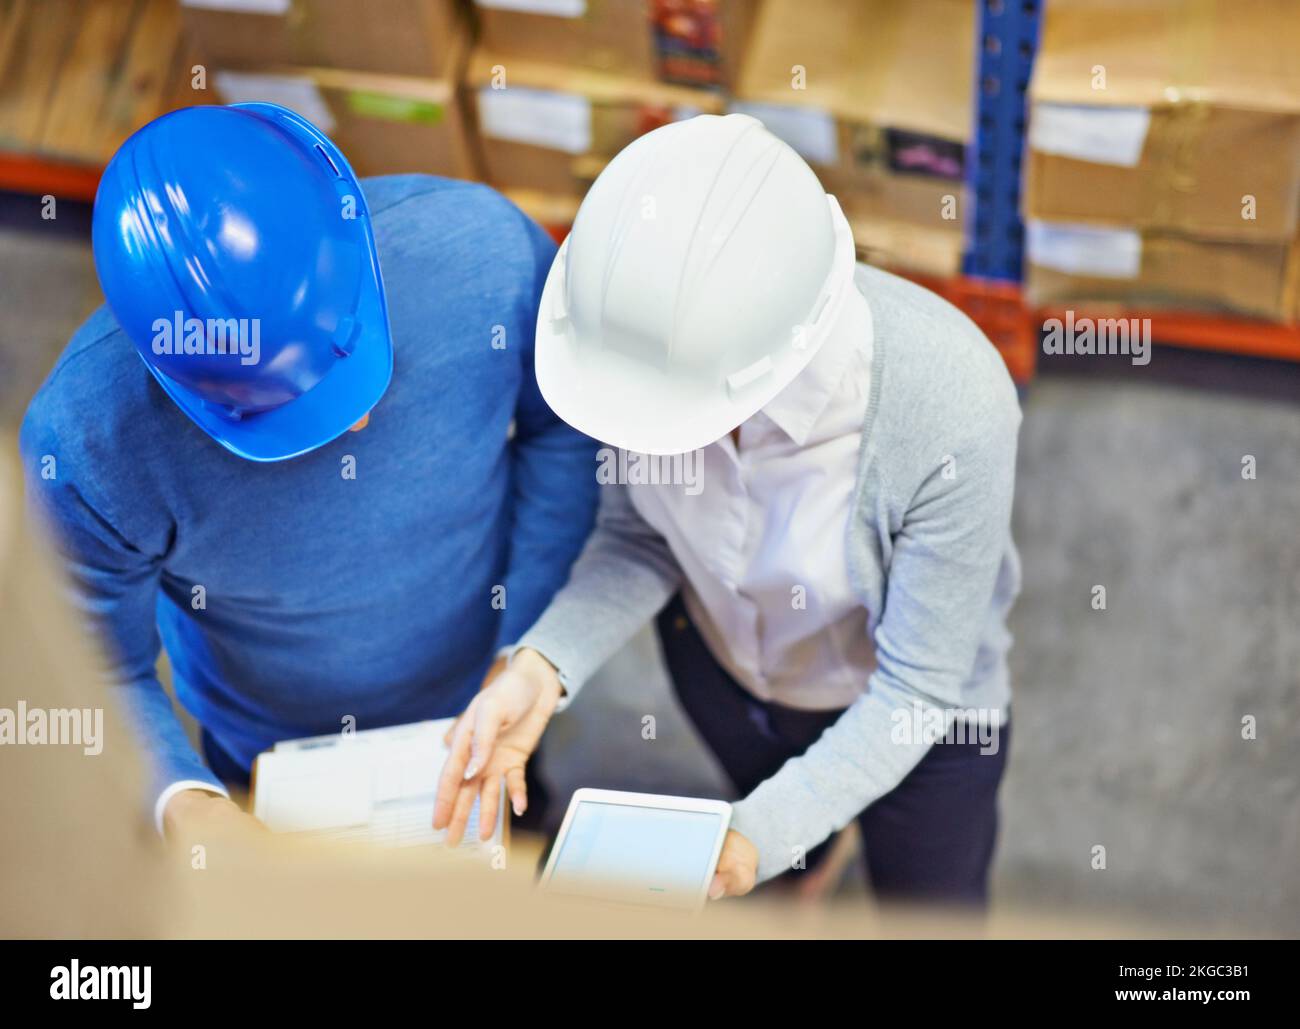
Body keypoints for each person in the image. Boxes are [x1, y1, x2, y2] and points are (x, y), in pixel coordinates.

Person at [434, 114, 1022, 907]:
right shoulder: (635, 345)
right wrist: (542, 666)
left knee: (931, 906)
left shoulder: (953, 405)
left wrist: (759, 832)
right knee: (786, 846)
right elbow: (640, 535)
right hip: (726, 676)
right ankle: (811, 860)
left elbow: (918, 689)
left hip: (924, 721)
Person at [20, 103, 598, 839]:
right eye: (280, 407)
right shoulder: (87, 443)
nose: (348, 420)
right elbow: (92, 668)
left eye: (350, 360)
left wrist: (526, 644)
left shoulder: (485, 254)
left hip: (488, 701)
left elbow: (564, 436)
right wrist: (186, 803)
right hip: (263, 756)